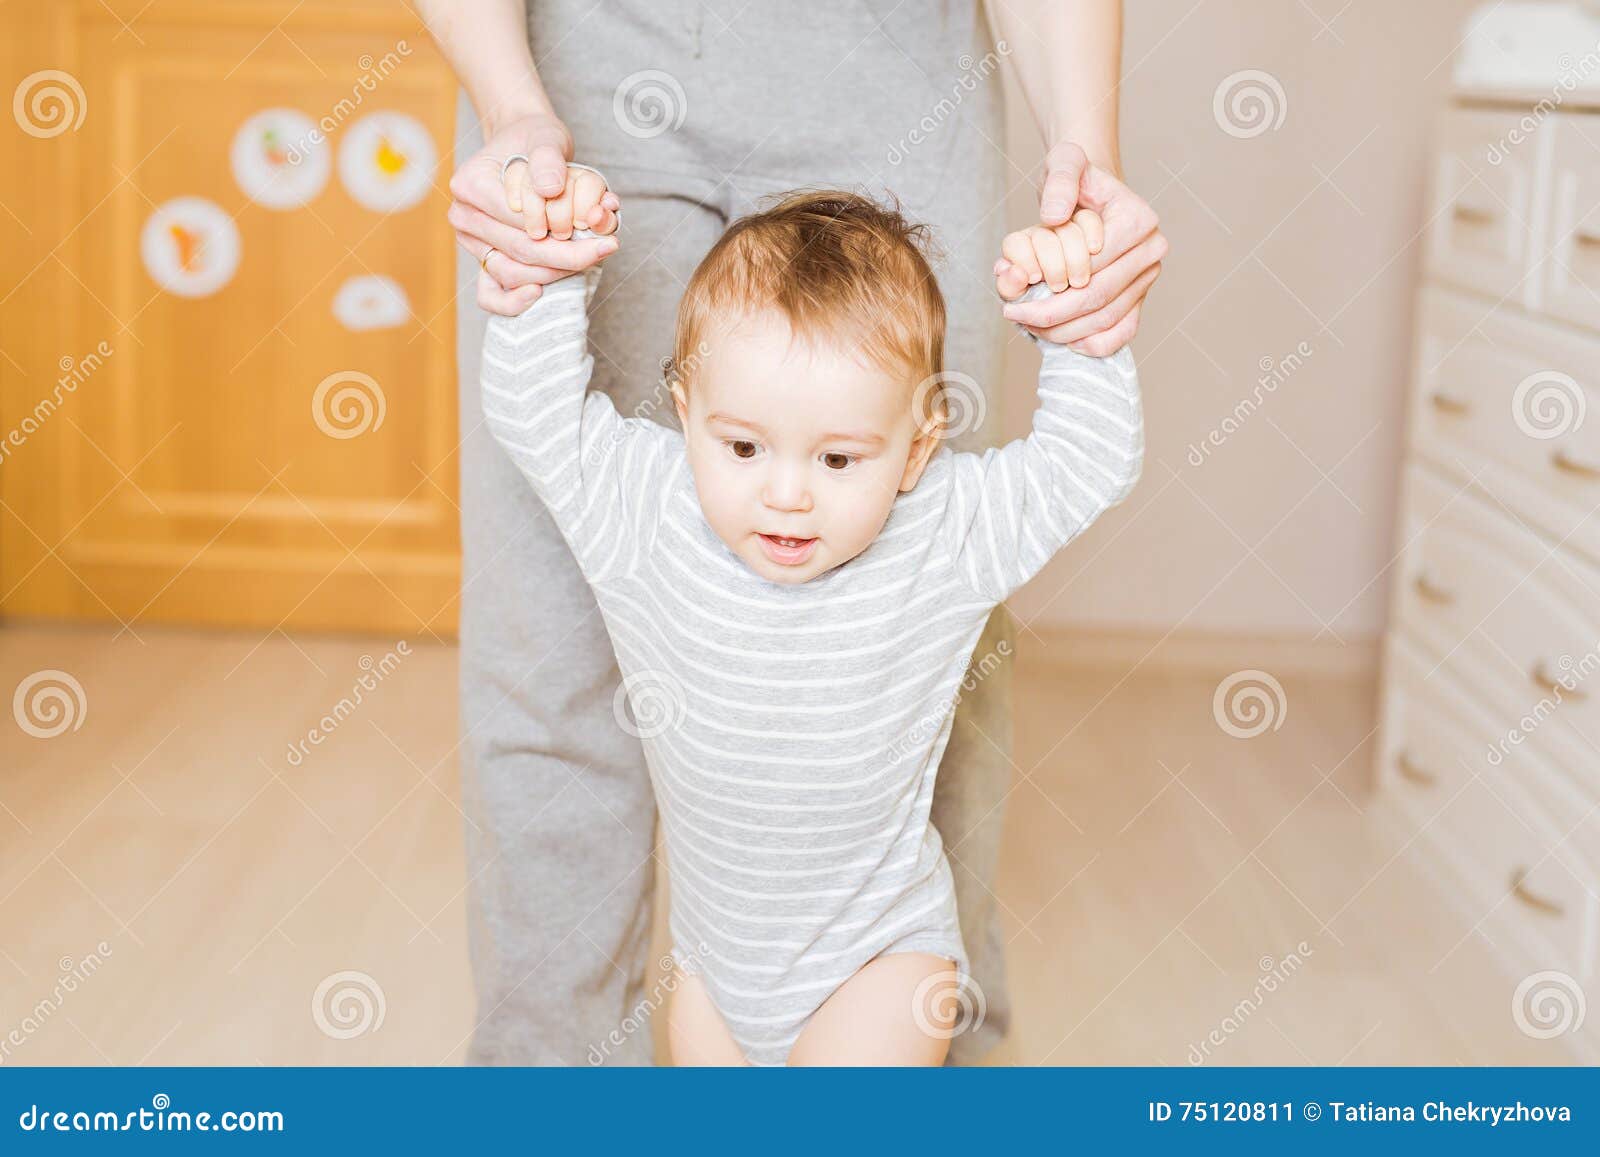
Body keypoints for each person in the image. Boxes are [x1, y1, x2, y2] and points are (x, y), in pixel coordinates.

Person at [419, 0, 1166, 1064]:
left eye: (838, 460)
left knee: (954, 689)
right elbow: (540, 418)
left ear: (919, 450)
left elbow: (1082, 463)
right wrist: (539, 250)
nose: (785, 498)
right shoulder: (647, 500)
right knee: (548, 657)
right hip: (587, 68)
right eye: (741, 452)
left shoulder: (944, 527)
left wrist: (1081, 291)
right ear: (683, 416)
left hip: (897, 67)